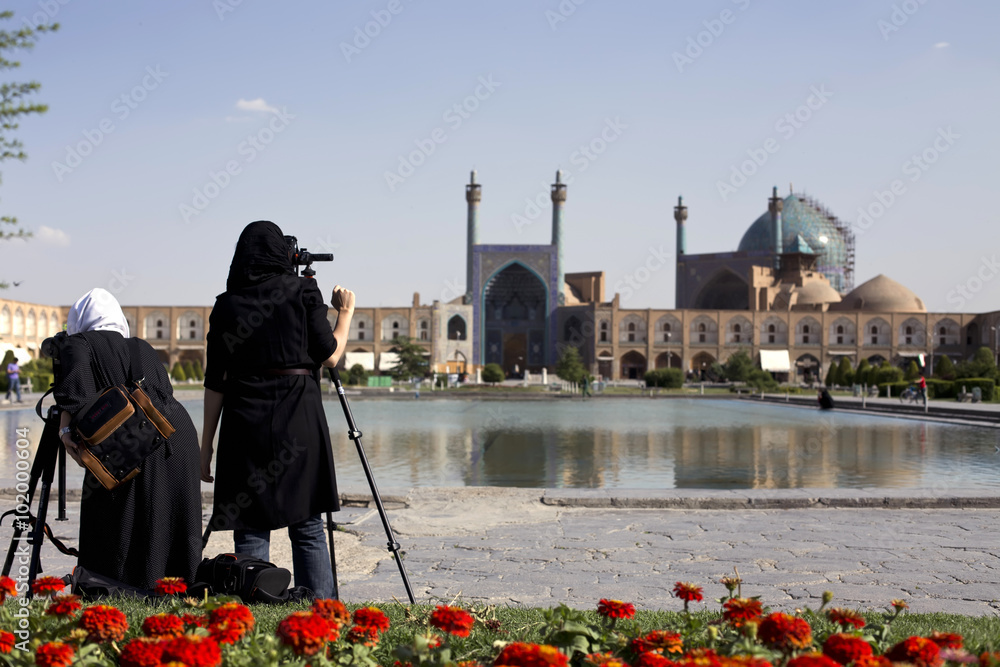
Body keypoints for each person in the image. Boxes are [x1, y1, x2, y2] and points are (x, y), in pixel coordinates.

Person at [200, 221, 354, 598]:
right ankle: (320, 612)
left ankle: (253, 610)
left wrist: (206, 446)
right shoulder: (302, 289)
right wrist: (345, 313)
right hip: (297, 417)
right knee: (307, 525)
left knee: (250, 524)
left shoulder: (226, 305)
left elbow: (215, 381)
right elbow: (331, 356)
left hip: (243, 422)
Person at [54, 288, 202, 588]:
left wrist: (64, 431)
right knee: (166, 509)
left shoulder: (77, 344)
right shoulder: (140, 346)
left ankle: (109, 585)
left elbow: (73, 397)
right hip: (176, 433)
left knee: (115, 509)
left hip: (136, 435)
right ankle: (176, 585)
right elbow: (164, 391)